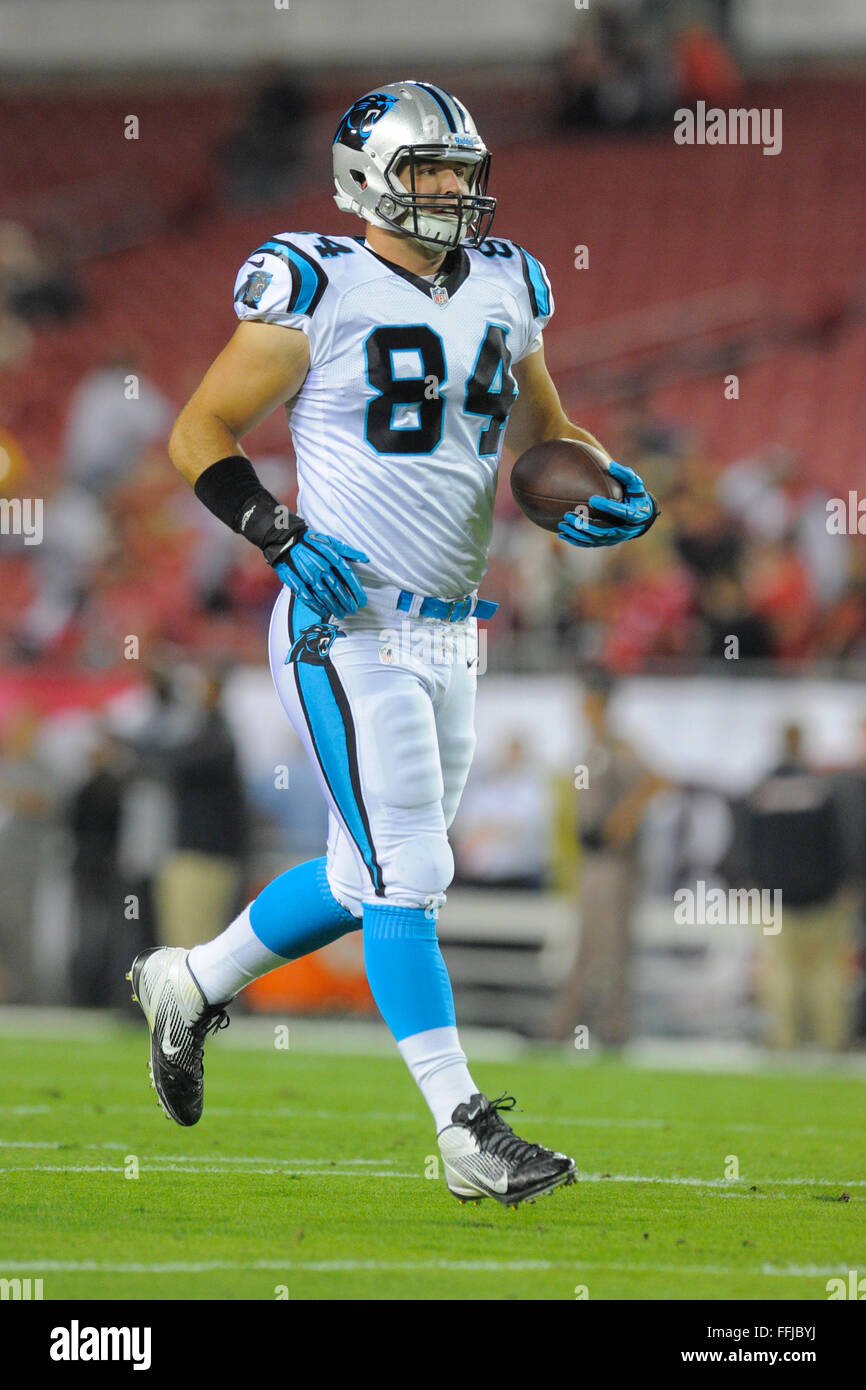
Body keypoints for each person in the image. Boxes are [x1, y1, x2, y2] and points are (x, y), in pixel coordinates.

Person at [128, 80, 657, 1208]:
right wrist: (270, 530)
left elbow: (544, 434)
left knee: (358, 872)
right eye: (431, 173)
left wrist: (594, 483)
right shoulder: (318, 284)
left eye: (462, 172)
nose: (454, 192)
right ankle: (463, 1130)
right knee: (408, 869)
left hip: (451, 631)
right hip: (341, 617)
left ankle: (188, 982)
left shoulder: (508, 283)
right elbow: (197, 431)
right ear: (369, 178)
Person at [548, 678, 664, 1046]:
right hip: (592, 861)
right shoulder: (592, 749)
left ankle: (614, 1029)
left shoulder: (617, 748)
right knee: (587, 946)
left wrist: (620, 822)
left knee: (613, 949)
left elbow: (655, 781)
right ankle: (568, 1026)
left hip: (614, 862)